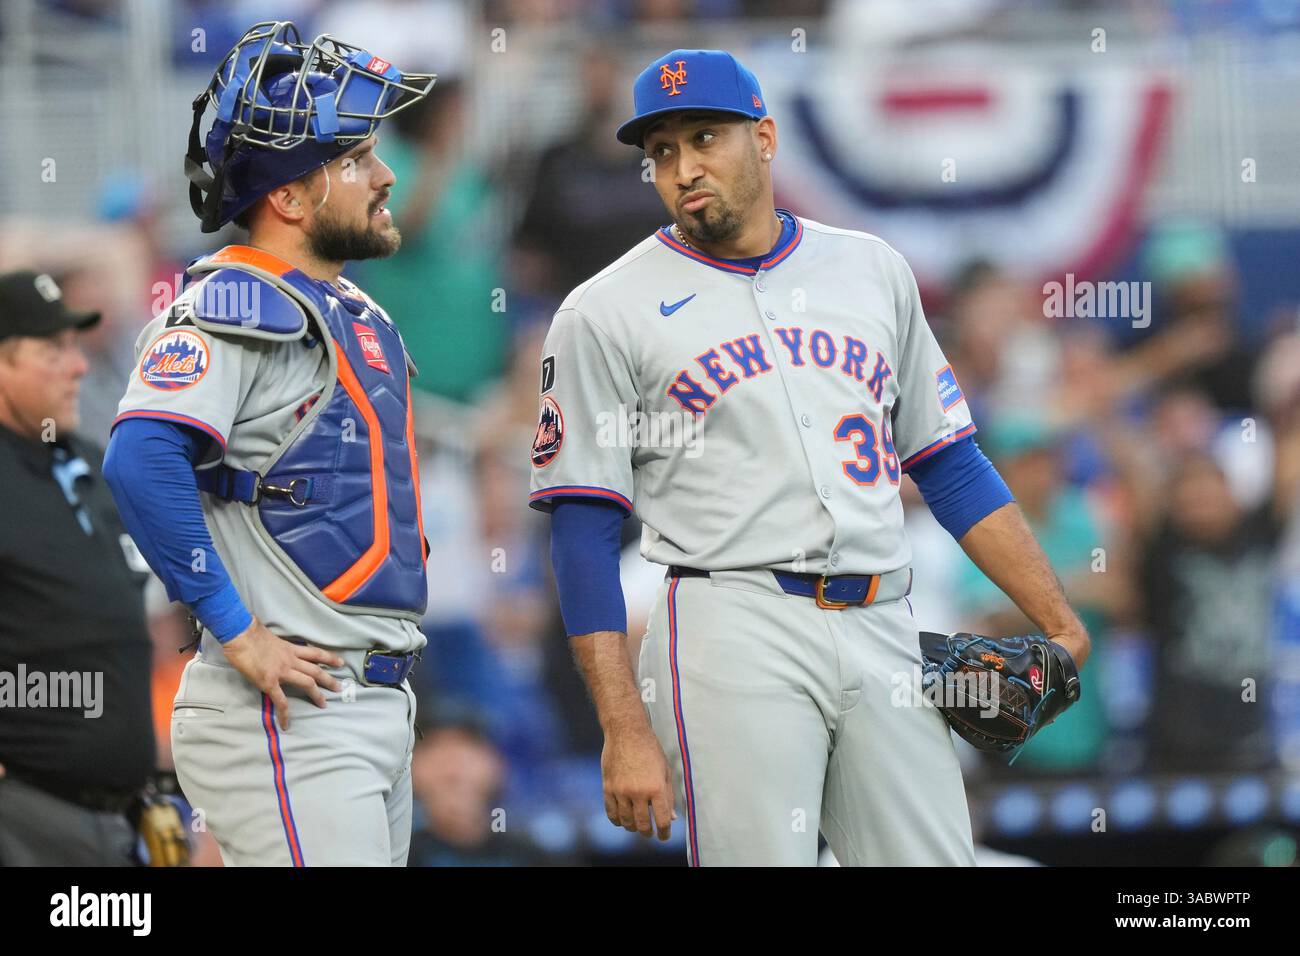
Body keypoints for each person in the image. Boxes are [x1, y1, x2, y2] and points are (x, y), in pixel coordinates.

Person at [529, 49, 1091, 866]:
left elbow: (950, 463)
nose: (683, 167)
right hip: (732, 618)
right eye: (661, 151)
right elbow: (581, 530)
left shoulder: (871, 269)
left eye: (704, 138)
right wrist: (623, 728)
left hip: (882, 618)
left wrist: (1059, 621)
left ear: (764, 136)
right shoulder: (603, 310)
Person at [102, 20, 435, 866]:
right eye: (355, 160)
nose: (386, 175)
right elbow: (139, 458)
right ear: (288, 197)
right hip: (287, 711)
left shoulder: (355, 310)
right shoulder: (233, 302)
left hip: (370, 704)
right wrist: (237, 629)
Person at [0, 269, 155, 865]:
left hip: (118, 817)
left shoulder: (92, 465)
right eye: (52, 351)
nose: (79, 366)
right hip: (25, 815)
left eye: (74, 347)